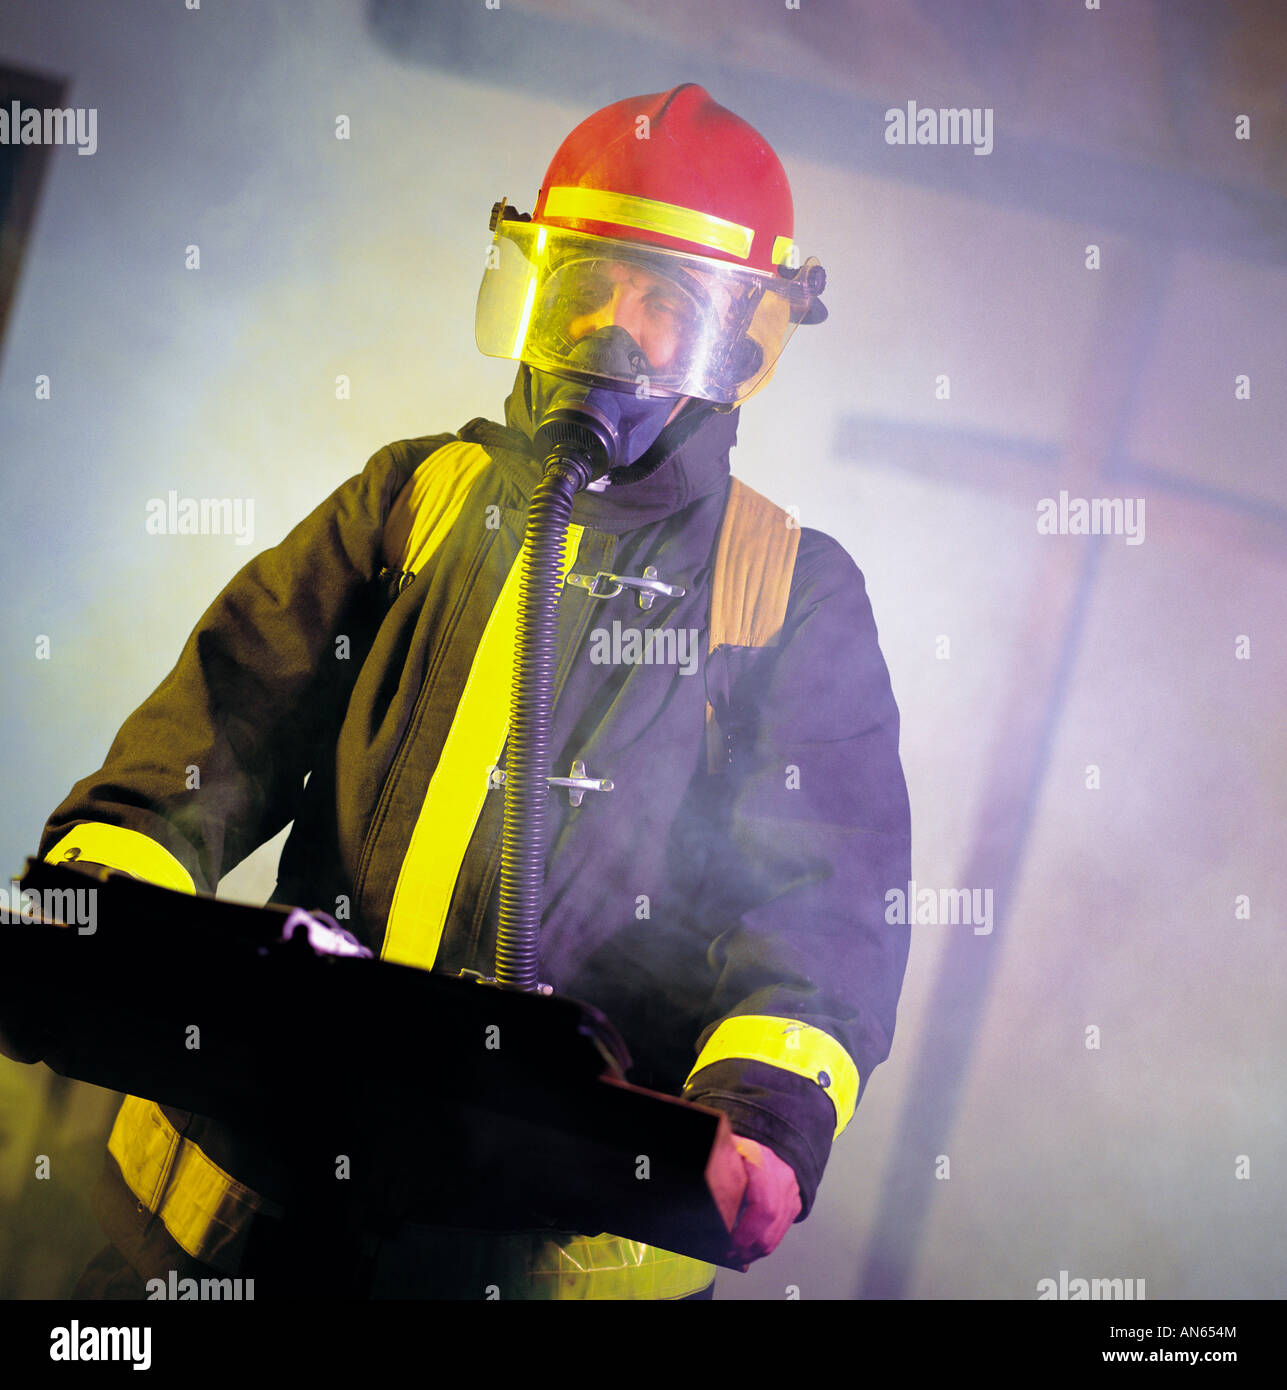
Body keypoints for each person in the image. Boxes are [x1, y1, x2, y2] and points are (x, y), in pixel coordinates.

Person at [37, 83, 911, 1300]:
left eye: (666, 304)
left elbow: (823, 910)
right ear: (533, 286)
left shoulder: (785, 594)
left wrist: (763, 1113)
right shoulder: (414, 500)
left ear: (743, 343)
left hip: (524, 1246)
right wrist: (98, 912)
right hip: (234, 1233)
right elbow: (220, 729)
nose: (611, 333)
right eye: (587, 283)